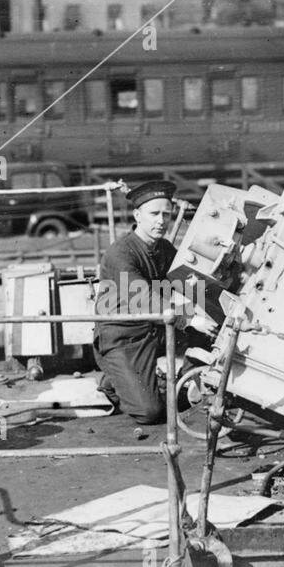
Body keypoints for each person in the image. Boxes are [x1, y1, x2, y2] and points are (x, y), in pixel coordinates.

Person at [94, 179, 181, 424]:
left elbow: (184, 285)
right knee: (149, 413)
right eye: (154, 214)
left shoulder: (165, 249)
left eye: (167, 214)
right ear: (137, 215)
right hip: (122, 337)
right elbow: (142, 297)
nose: (161, 221)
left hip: (154, 331)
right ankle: (112, 382)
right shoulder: (120, 253)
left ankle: (140, 378)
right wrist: (190, 318)